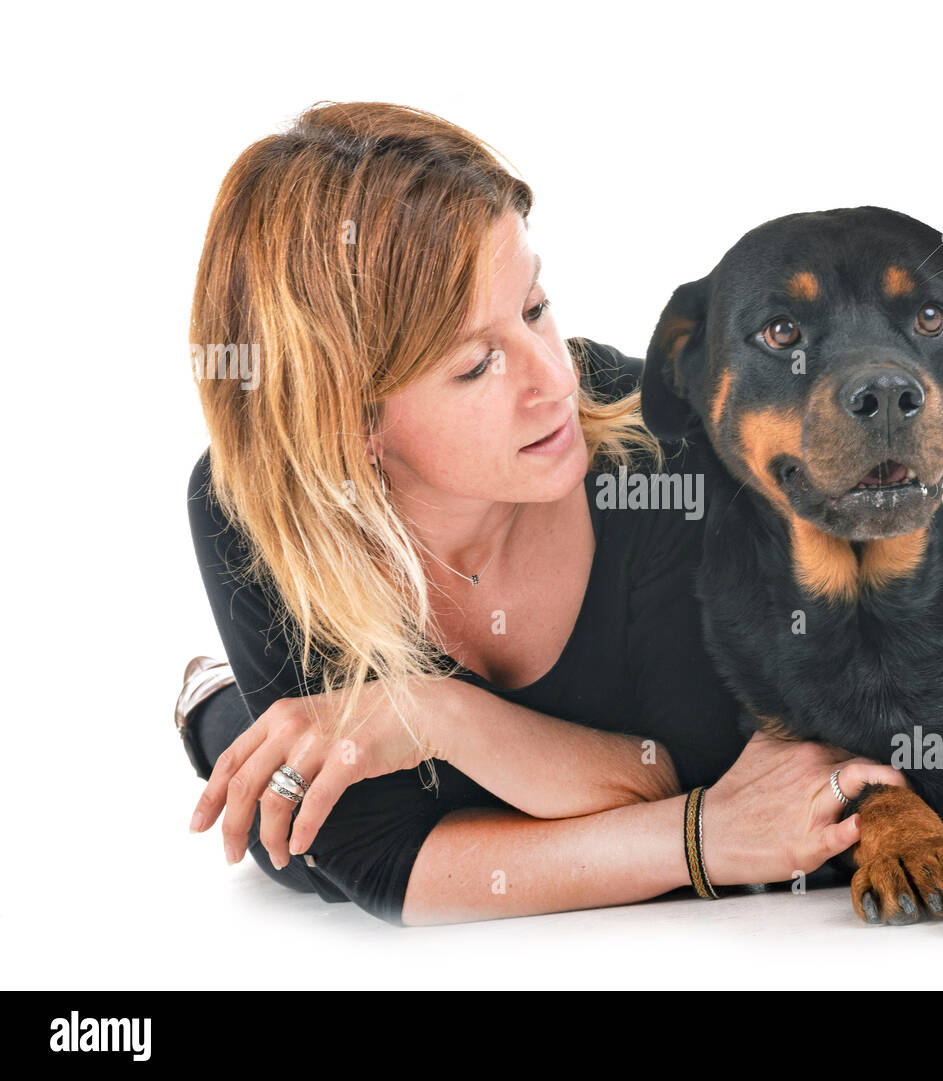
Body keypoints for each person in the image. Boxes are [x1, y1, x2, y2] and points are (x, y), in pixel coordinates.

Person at [178, 101, 905, 927]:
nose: (552, 380)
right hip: (449, 785)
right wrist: (697, 841)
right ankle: (224, 714)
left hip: (563, 759)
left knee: (300, 805)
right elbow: (376, 859)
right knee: (290, 840)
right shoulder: (255, 507)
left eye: (534, 308)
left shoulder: (660, 450)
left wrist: (437, 715)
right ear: (350, 422)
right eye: (478, 364)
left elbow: (683, 778)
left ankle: (231, 714)